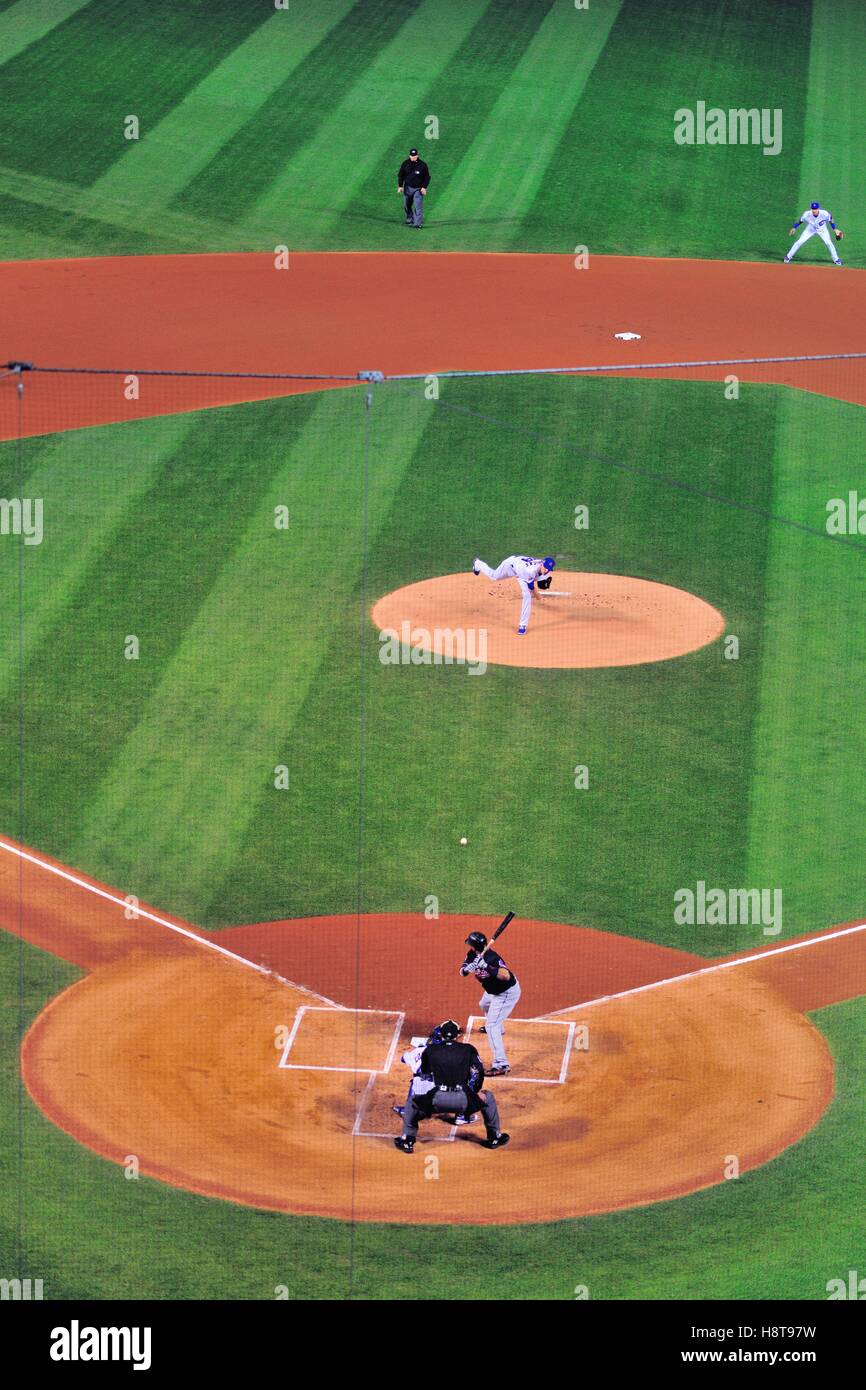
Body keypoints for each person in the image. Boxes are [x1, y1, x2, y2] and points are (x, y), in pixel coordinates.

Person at [393, 1019, 509, 1153]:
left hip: (437, 1100)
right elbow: (478, 1073)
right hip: (463, 1101)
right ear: (457, 1036)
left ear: (441, 1035)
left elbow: (425, 1071)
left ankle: (407, 1140)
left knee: (412, 1101)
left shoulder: (430, 1049)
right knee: (488, 1097)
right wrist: (473, 1093)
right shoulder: (468, 1049)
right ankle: (494, 1137)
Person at [460, 931, 521, 1075]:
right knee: (484, 1004)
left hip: (505, 993)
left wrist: (486, 966)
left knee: (491, 1025)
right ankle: (498, 1028)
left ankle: (501, 1064)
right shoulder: (472, 954)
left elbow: (506, 976)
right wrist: (466, 969)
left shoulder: (492, 957)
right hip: (492, 991)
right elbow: (462, 972)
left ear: (475, 946)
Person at [473, 554, 556, 634]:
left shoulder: (544, 570)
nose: (546, 571)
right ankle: (478, 564)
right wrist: (538, 596)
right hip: (510, 565)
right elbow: (531, 587)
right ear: (542, 564)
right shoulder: (531, 571)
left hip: (522, 573)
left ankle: (522, 625)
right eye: (545, 568)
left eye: (548, 569)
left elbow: (537, 577)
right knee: (494, 576)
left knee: (527, 596)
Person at [397, 147, 430, 228]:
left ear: (417, 155)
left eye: (415, 155)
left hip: (418, 189)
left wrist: (424, 187)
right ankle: (410, 218)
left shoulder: (422, 165)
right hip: (407, 188)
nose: (413, 157)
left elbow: (427, 177)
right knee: (406, 205)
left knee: (418, 206)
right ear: (409, 156)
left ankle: (417, 224)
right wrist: (400, 186)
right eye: (412, 156)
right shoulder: (405, 163)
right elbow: (400, 175)